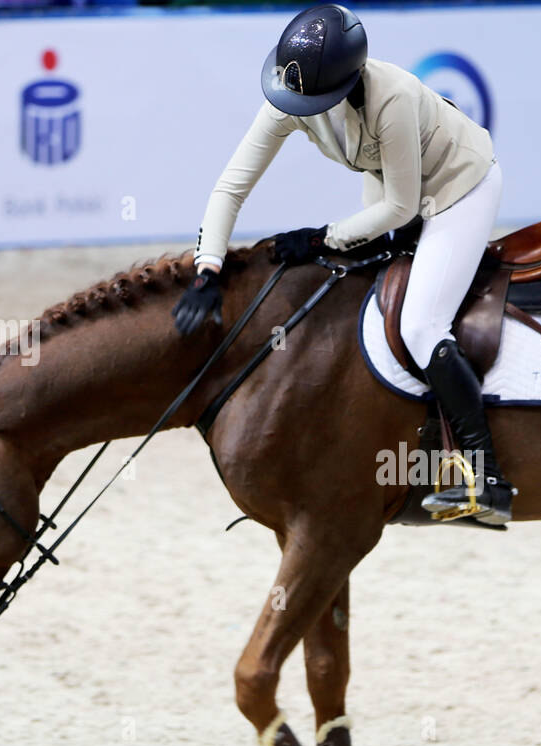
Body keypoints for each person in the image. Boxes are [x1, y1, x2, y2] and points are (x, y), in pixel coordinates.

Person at [171, 3, 515, 524]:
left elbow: (402, 208)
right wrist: (207, 268)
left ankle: (485, 478)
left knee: (422, 326)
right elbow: (230, 187)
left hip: (456, 188)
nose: (298, 108)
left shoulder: (392, 96)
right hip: (391, 179)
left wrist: (319, 238)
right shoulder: (292, 95)